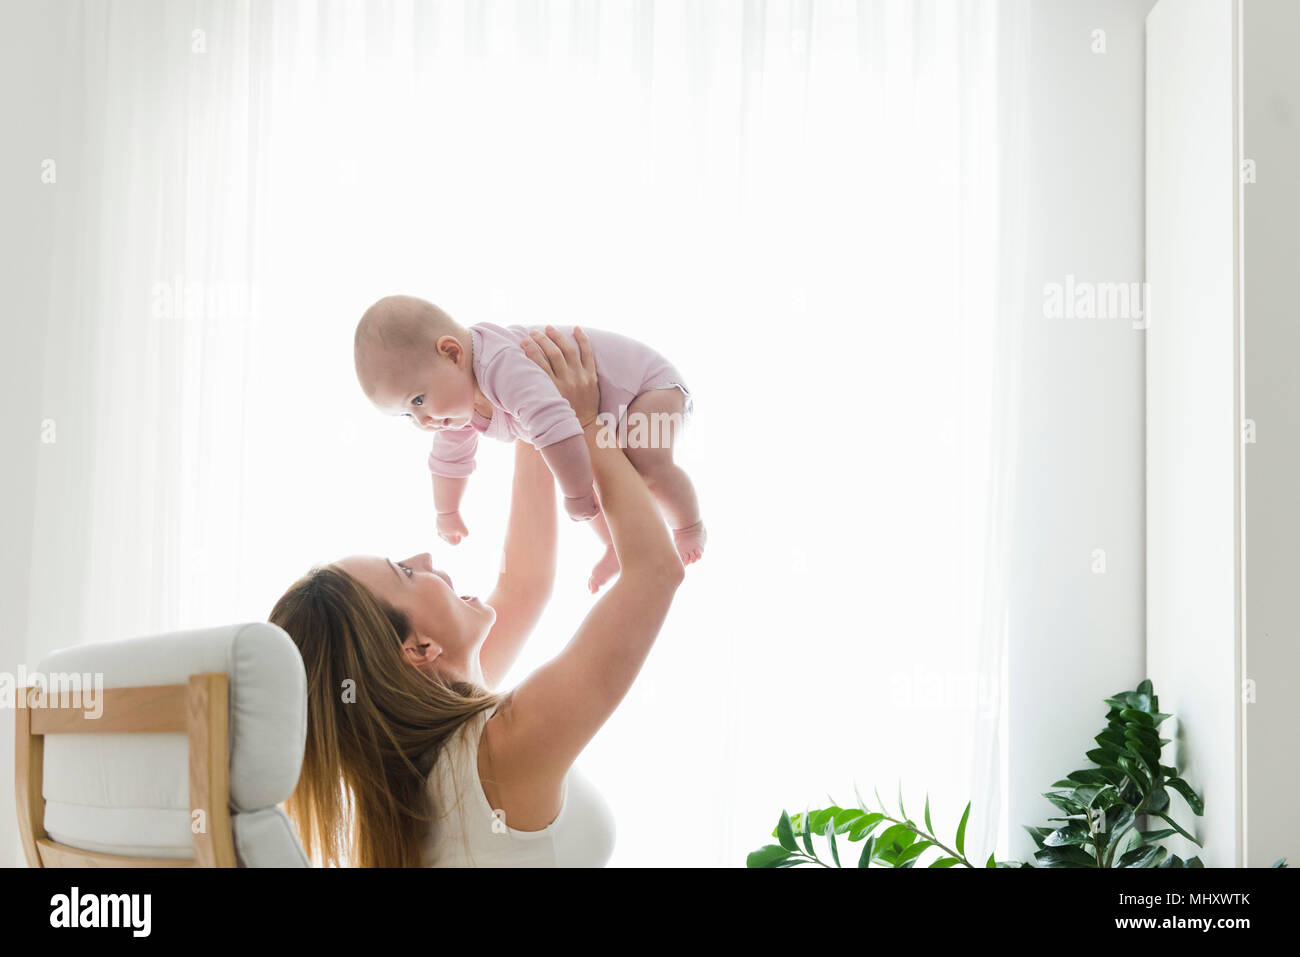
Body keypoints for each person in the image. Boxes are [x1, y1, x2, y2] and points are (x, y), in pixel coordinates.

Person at [269, 327, 685, 866]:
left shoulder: (436, 766)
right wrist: (585, 425)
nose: (426, 559)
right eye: (405, 572)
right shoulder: (501, 752)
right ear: (418, 650)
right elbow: (654, 572)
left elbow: (525, 585)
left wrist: (534, 406)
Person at [353, 294, 705, 592]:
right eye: (407, 415)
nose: (422, 421)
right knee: (595, 472)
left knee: (646, 466)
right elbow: (448, 459)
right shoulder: (458, 403)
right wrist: (447, 511)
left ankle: (688, 526)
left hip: (650, 389)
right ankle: (615, 544)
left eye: (417, 400)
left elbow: (553, 422)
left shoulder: (498, 365)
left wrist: (577, 494)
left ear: (452, 353)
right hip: (607, 413)